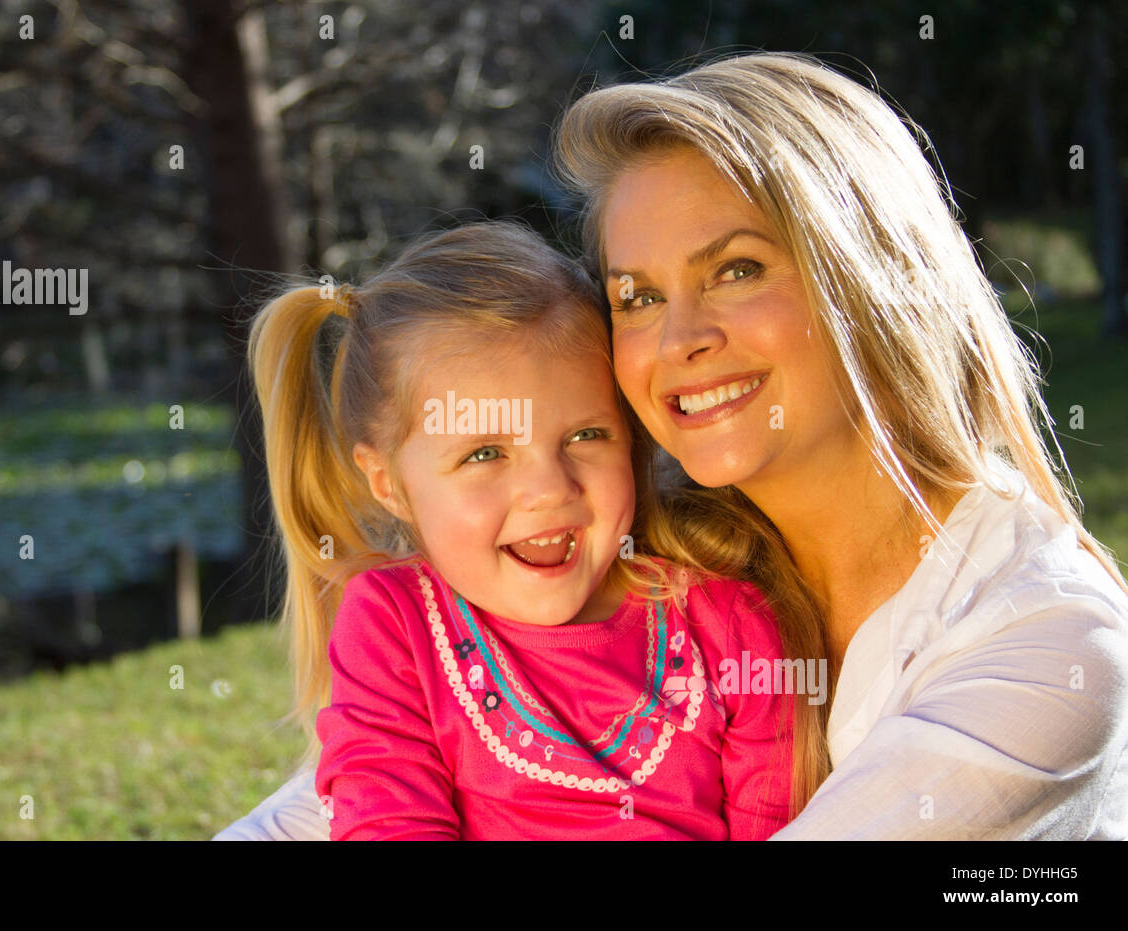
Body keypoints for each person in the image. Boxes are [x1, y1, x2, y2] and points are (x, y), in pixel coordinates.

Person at [217, 51, 1128, 841]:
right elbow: (340, 805)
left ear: (873, 280)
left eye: (736, 269)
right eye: (639, 296)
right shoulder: (633, 560)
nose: (679, 339)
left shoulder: (1048, 642)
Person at [234, 220, 813, 840]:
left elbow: (784, 825)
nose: (550, 489)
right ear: (387, 482)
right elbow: (388, 821)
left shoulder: (729, 624)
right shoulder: (395, 626)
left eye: (586, 435)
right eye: (484, 453)